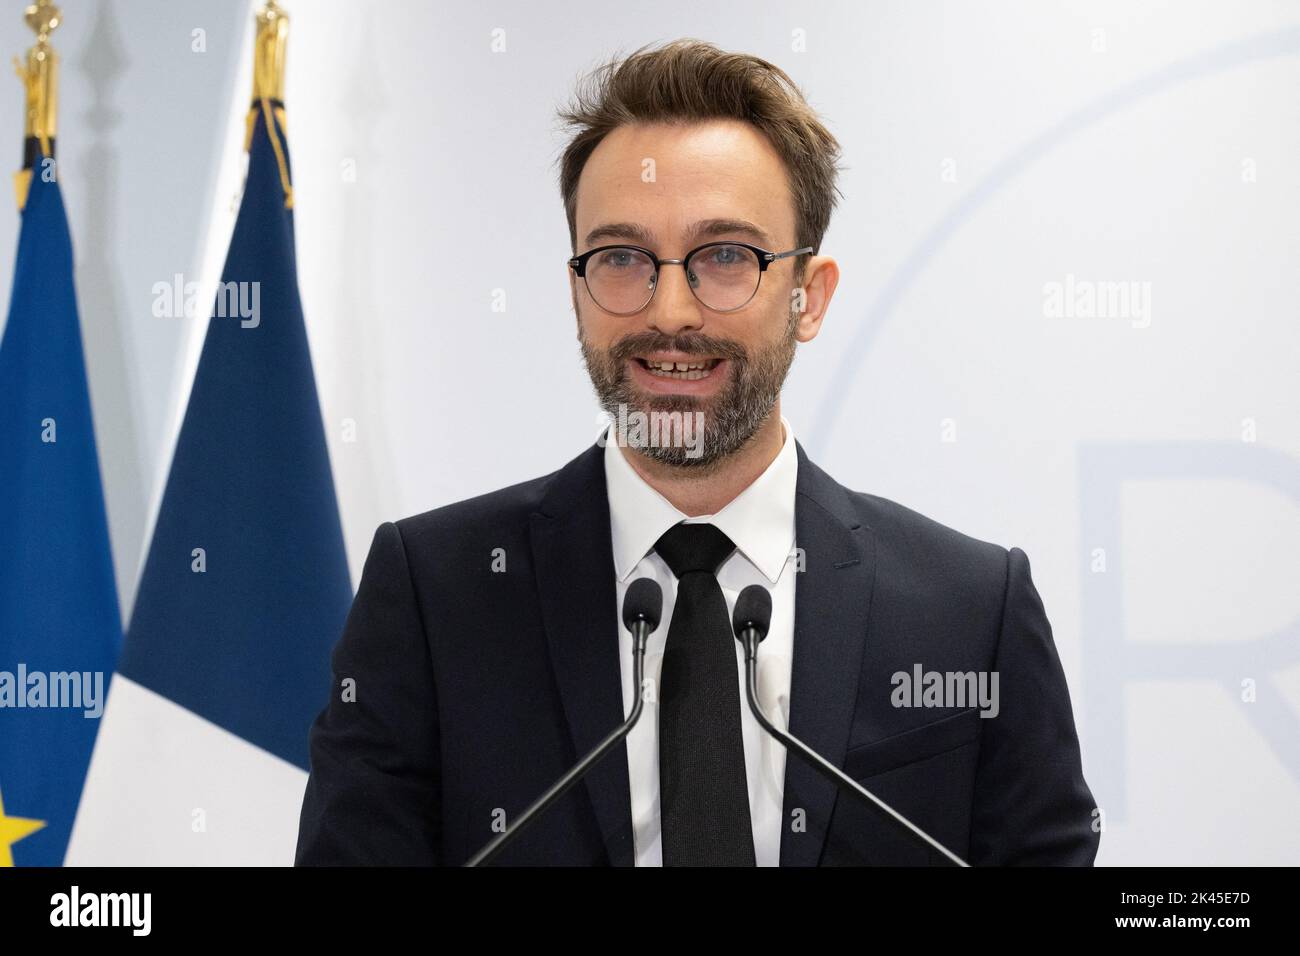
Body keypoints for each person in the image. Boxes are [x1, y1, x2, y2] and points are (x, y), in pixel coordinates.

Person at [294, 38, 1099, 866]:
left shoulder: (971, 611)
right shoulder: (436, 597)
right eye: (621, 258)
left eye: (724, 257)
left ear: (808, 297)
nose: (670, 310)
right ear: (577, 293)